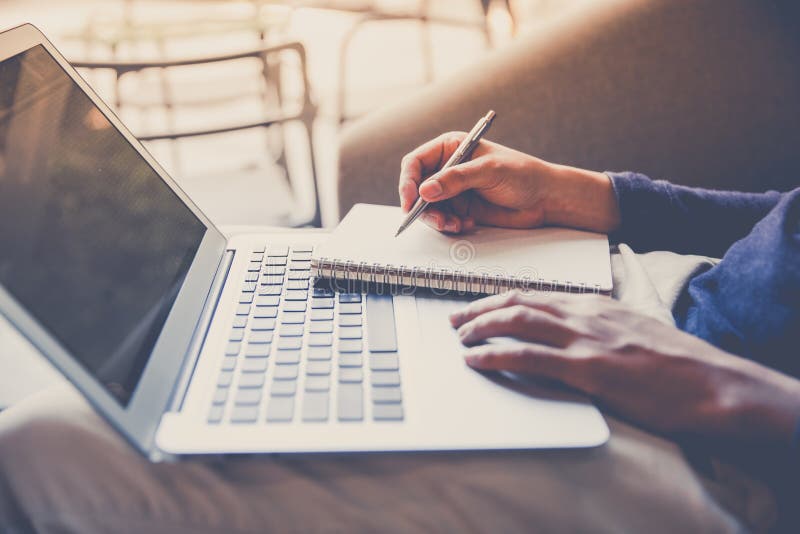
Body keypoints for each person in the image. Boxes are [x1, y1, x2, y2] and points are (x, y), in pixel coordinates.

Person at [1, 133, 798, 533]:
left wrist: (732, 392)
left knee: (43, 443)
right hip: (664, 293)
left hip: (726, 445)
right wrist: (582, 195)